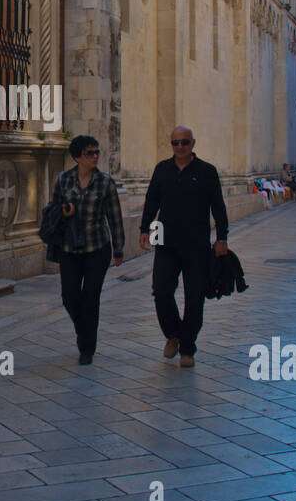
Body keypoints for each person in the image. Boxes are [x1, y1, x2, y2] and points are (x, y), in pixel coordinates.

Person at [139, 126, 229, 369]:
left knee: (195, 298)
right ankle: (173, 334)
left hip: (196, 245)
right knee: (161, 291)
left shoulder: (207, 171)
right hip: (165, 242)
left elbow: (218, 206)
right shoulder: (162, 169)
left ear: (193, 143)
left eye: (184, 142)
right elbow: (152, 200)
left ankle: (187, 348)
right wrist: (144, 229)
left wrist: (222, 238)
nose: (180, 147)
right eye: (175, 143)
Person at [49, 135, 125, 365]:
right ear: (77, 157)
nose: (94, 157)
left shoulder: (105, 182)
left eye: (96, 152)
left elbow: (114, 216)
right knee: (69, 297)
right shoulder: (63, 179)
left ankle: (87, 348)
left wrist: (118, 249)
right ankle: (83, 331)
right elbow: (53, 209)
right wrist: (64, 211)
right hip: (69, 248)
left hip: (97, 247)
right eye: (89, 153)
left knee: (91, 298)